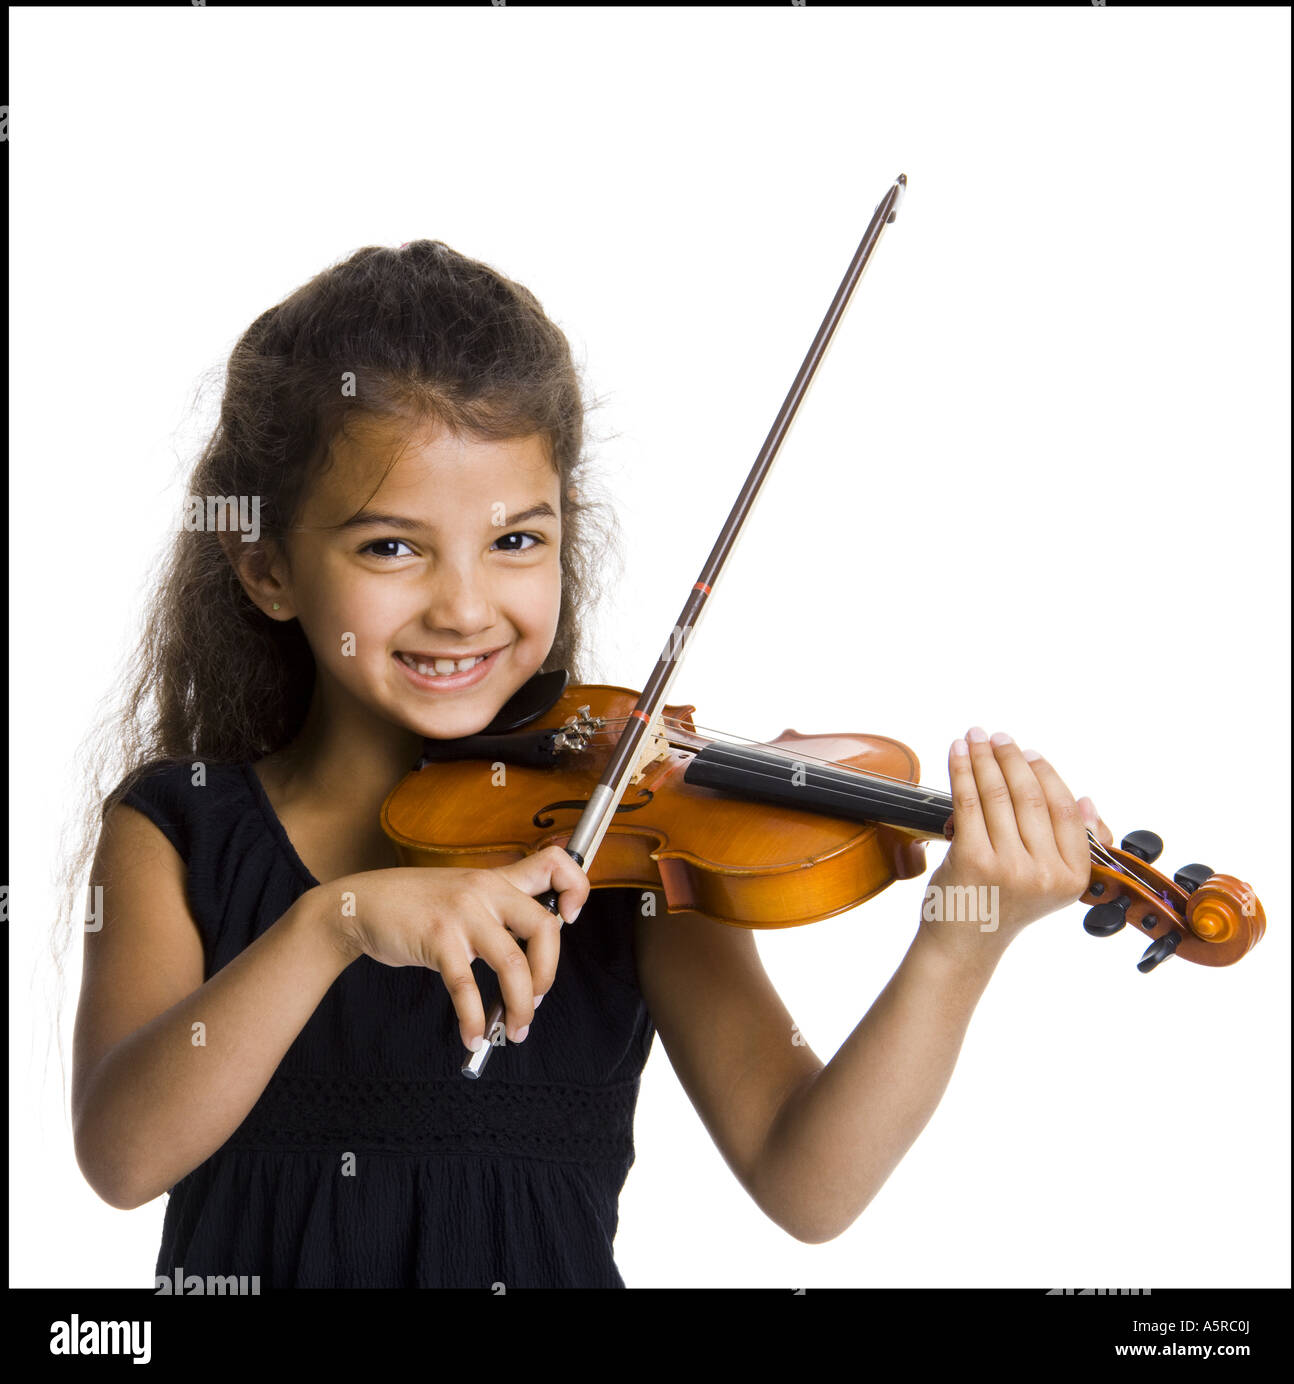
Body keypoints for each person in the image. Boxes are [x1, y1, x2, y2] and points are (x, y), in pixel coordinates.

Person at [65, 239, 1111, 1288]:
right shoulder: (179, 827)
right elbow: (121, 1156)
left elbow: (808, 1181)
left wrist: (955, 947)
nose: (465, 607)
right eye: (392, 547)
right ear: (269, 569)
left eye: (516, 541)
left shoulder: (616, 847)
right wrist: (331, 925)